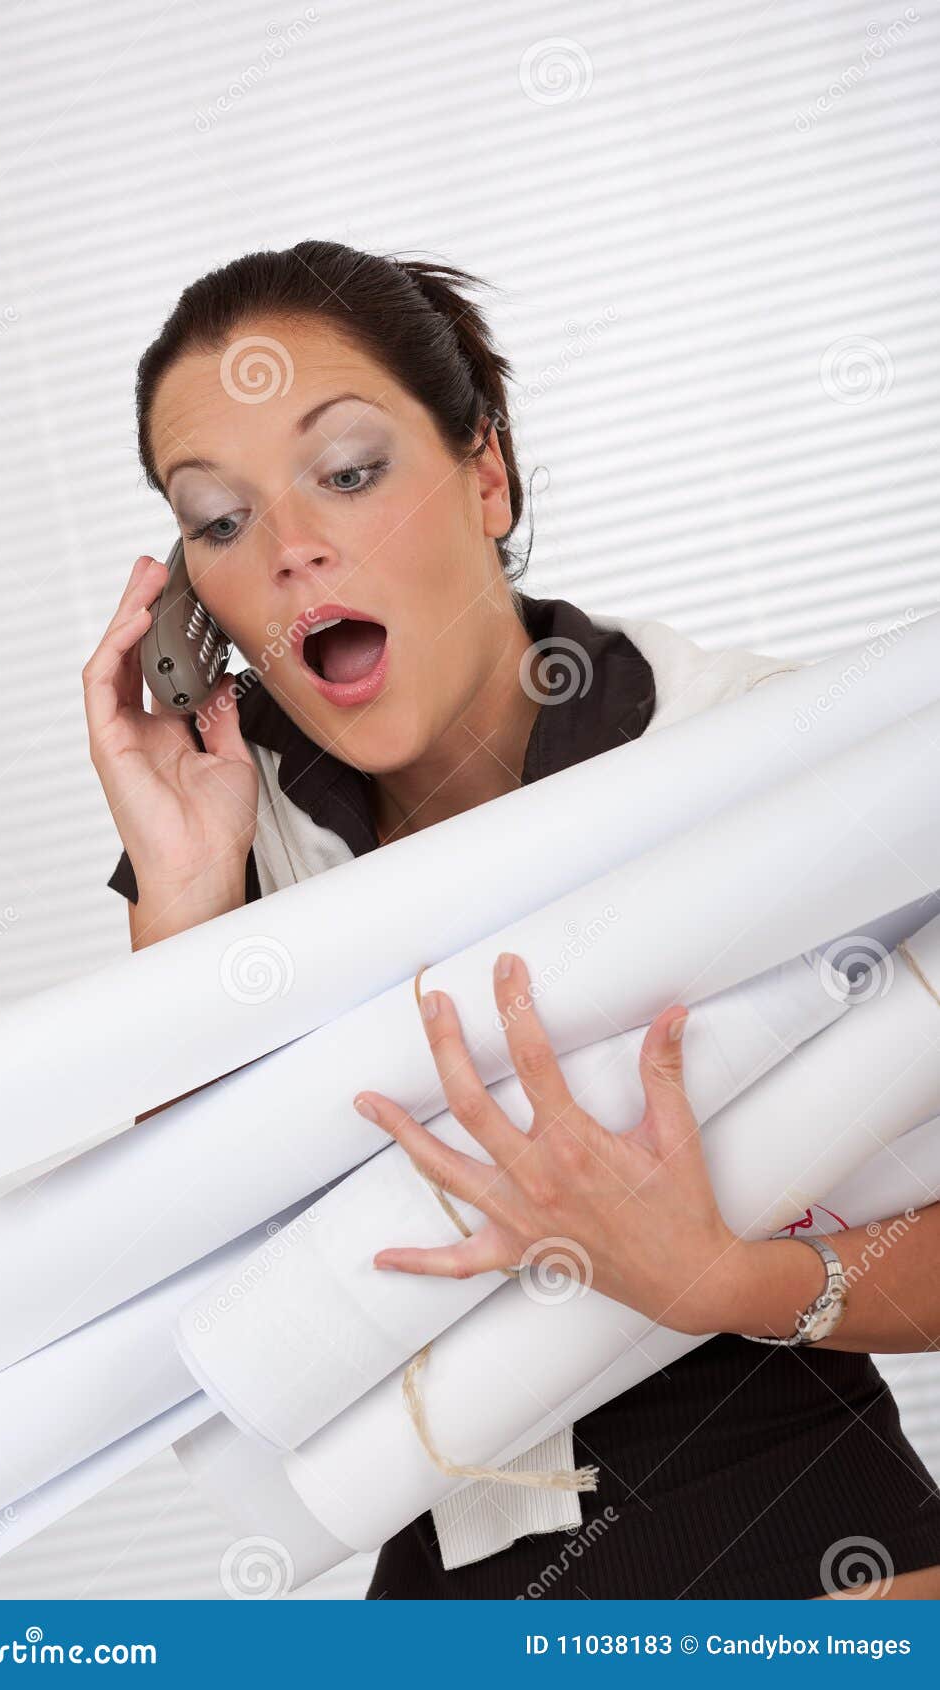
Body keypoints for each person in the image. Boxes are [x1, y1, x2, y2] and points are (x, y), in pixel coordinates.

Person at [84, 240, 940, 1600]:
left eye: (349, 471)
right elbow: (214, 1301)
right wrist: (185, 888)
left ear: (486, 473)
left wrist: (717, 1276)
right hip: (447, 1576)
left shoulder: (746, 750)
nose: (294, 546)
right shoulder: (239, 831)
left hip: (804, 1540)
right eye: (220, 519)